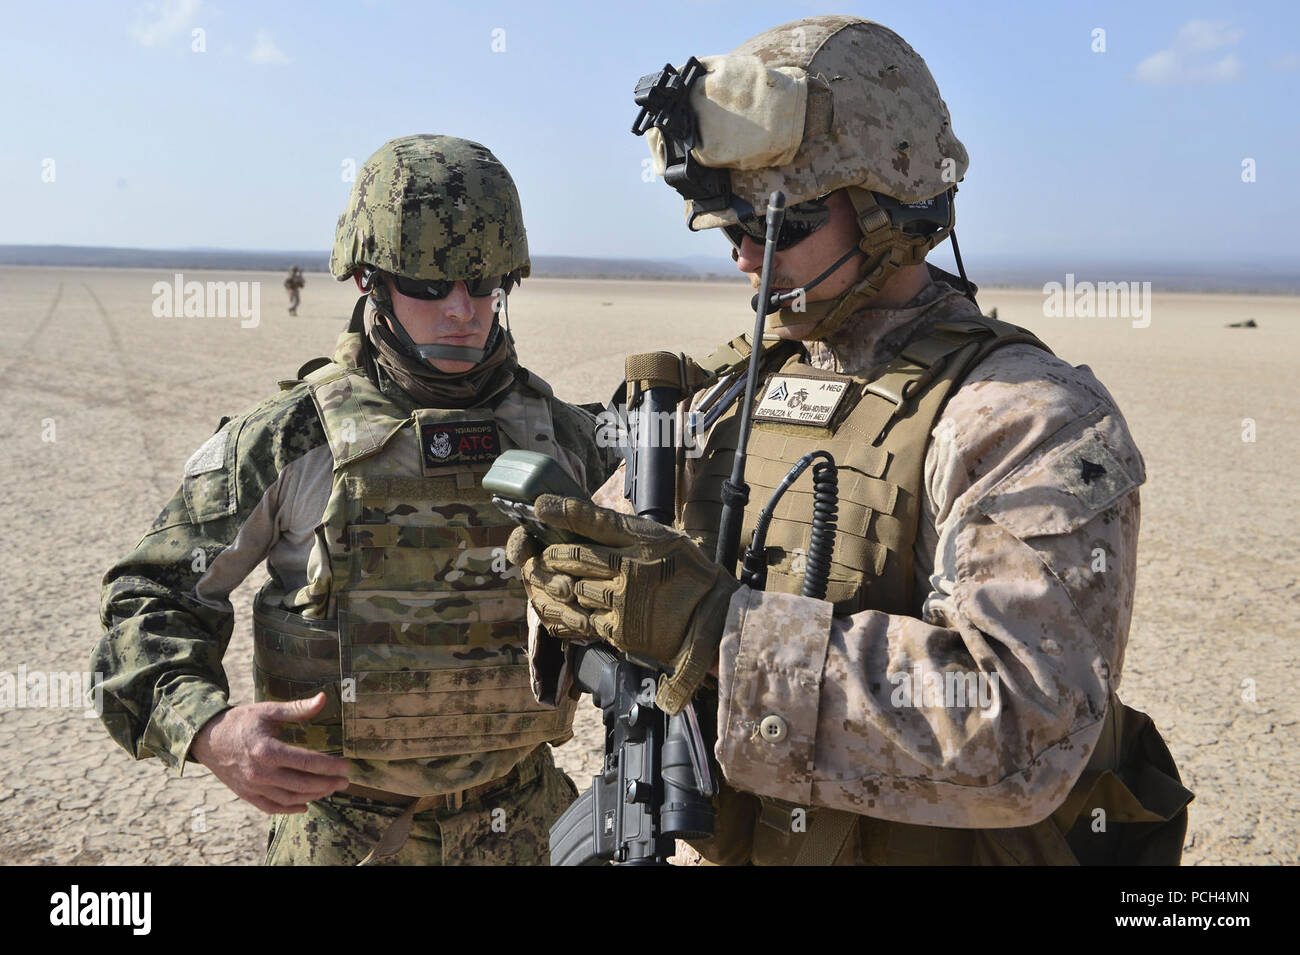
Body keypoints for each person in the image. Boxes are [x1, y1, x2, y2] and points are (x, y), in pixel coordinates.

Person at [508, 16, 1192, 865]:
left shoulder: (1022, 416)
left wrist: (722, 633)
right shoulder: (727, 391)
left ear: (889, 210)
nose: (748, 261)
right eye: (731, 230)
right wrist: (572, 586)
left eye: (780, 225)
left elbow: (1023, 729)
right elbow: (625, 578)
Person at [92, 134, 612, 865]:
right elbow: (150, 595)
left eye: (484, 281)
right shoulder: (289, 440)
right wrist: (210, 729)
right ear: (371, 280)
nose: (462, 309)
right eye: (428, 285)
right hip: (346, 835)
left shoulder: (566, 438)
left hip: (525, 825)